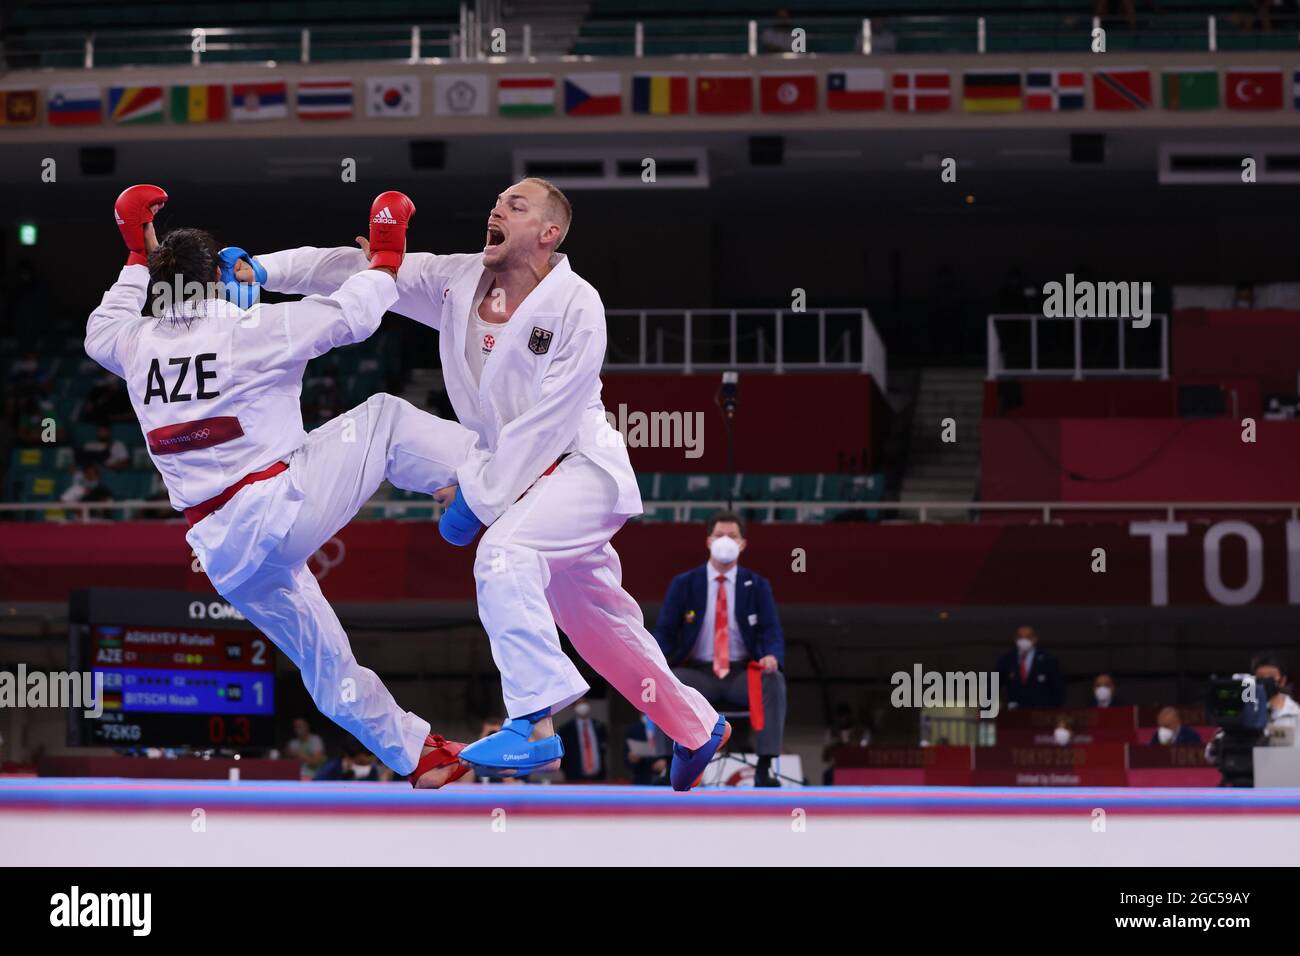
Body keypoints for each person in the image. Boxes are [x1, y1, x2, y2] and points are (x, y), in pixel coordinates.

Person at [248, 178, 727, 790]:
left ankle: (532, 725)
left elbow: (546, 425)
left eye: (516, 205)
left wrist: (476, 500)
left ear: (549, 233)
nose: (496, 208)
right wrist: (262, 269)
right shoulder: (457, 279)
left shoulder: (578, 305)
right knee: (600, 628)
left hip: (580, 473)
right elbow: (364, 265)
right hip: (525, 487)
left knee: (504, 556)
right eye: (497, 202)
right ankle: (697, 728)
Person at [86, 184, 481, 788]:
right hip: (277, 508)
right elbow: (355, 315)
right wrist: (386, 252)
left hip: (225, 554)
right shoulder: (252, 329)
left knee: (327, 665)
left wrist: (136, 256)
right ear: (215, 278)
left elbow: (102, 326)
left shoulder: (133, 345)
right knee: (385, 418)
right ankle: (488, 480)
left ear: (161, 287)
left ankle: (418, 757)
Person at [653, 511, 787, 787]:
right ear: (708, 541)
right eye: (720, 535)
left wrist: (772, 656)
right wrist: (656, 662)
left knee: (773, 680)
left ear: (743, 544)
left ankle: (764, 767)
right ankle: (669, 765)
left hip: (741, 675)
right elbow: (666, 630)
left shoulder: (758, 585)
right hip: (698, 675)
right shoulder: (684, 584)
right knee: (662, 682)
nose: (725, 541)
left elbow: (771, 629)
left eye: (732, 536)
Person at [996, 625, 1064, 708]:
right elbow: (994, 684)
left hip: (1040, 710)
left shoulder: (1048, 660)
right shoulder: (1006, 659)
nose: (1024, 640)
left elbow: (1058, 688)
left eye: (1028, 637)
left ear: (1035, 639)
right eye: (1020, 637)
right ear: (1015, 639)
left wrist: (1052, 709)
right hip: (1014, 710)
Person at [556, 699, 607, 782]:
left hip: (598, 777)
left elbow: (603, 749)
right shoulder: (565, 729)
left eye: (584, 702)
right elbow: (562, 754)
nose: (582, 705)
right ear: (572, 707)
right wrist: (568, 771)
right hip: (574, 777)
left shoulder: (599, 726)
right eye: (578, 703)